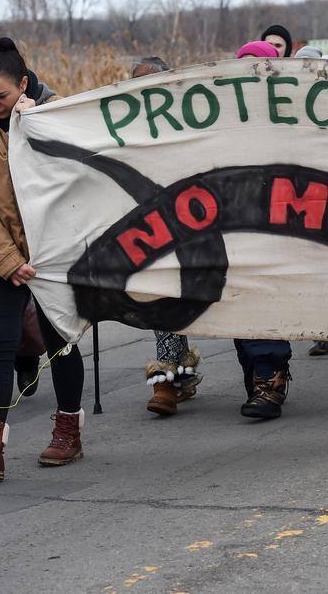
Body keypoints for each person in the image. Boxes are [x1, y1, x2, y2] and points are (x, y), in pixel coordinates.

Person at [0, 38, 86, 482]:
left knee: (59, 339)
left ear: (23, 84)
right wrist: (7, 259)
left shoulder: (55, 117)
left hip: (52, 251)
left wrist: (36, 127)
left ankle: (68, 429)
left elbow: (78, 179)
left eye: (0, 95)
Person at [123, 56, 205, 417]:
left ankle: (180, 374)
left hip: (190, 222)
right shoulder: (124, 127)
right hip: (150, 226)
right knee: (160, 296)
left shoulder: (188, 120)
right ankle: (169, 378)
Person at [228, 40, 299, 415]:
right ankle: (257, 374)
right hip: (235, 220)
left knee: (266, 296)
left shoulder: (291, 111)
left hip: (277, 222)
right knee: (240, 299)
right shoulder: (224, 115)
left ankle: (272, 377)